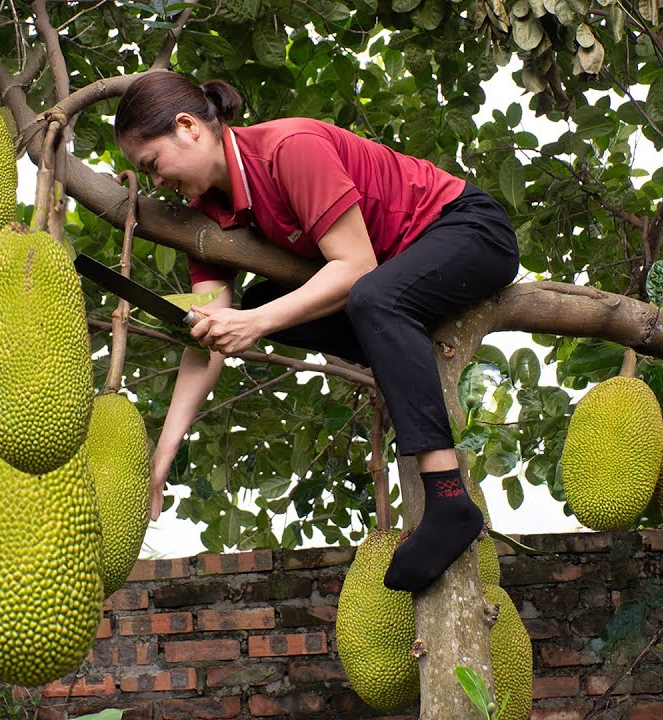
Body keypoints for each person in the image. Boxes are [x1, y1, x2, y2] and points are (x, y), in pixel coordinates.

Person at [114, 71, 519, 594]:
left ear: (188, 127)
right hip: (399, 283)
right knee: (261, 300)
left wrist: (254, 323)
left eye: (152, 164)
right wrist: (161, 456)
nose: (155, 182)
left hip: (468, 231)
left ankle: (448, 500)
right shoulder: (207, 217)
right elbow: (207, 339)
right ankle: (399, 341)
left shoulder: (289, 148)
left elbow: (356, 267)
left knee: (363, 298)